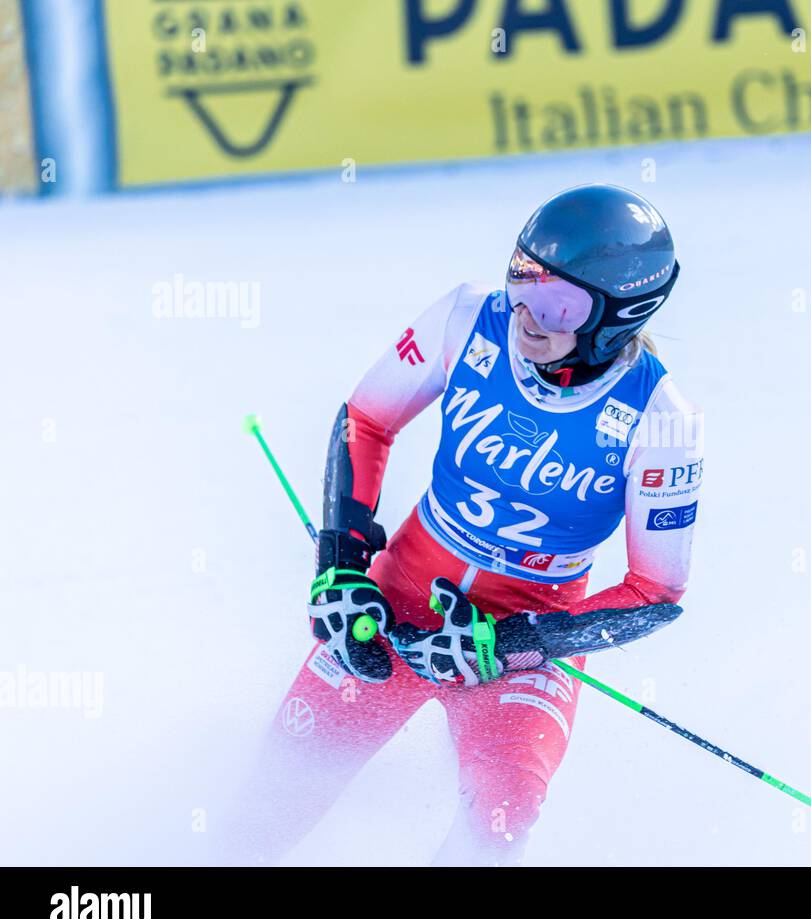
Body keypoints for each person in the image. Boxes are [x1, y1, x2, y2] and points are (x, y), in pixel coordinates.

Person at [224, 183, 703, 865]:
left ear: (621, 315)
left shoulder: (663, 420)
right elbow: (367, 418)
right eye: (523, 277)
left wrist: (507, 645)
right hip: (397, 603)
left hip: (527, 633)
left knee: (498, 823)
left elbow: (655, 594)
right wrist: (339, 565)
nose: (528, 315)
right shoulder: (468, 316)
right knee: (269, 801)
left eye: (560, 303)